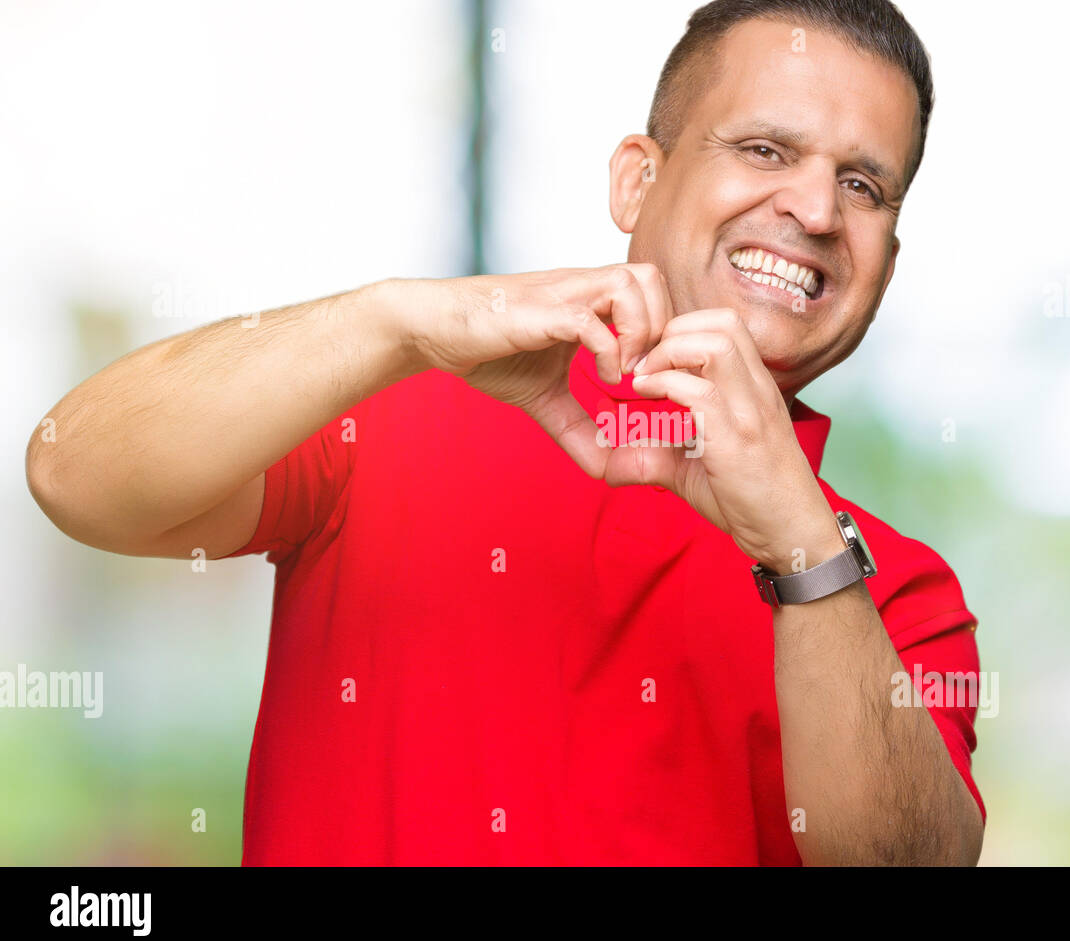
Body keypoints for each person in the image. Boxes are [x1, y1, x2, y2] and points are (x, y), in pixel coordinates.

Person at [26, 0, 985, 865]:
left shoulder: (897, 594)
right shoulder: (387, 413)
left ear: (885, 264)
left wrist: (799, 541)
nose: (816, 211)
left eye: (864, 186)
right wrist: (394, 320)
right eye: (767, 151)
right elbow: (73, 472)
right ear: (635, 183)